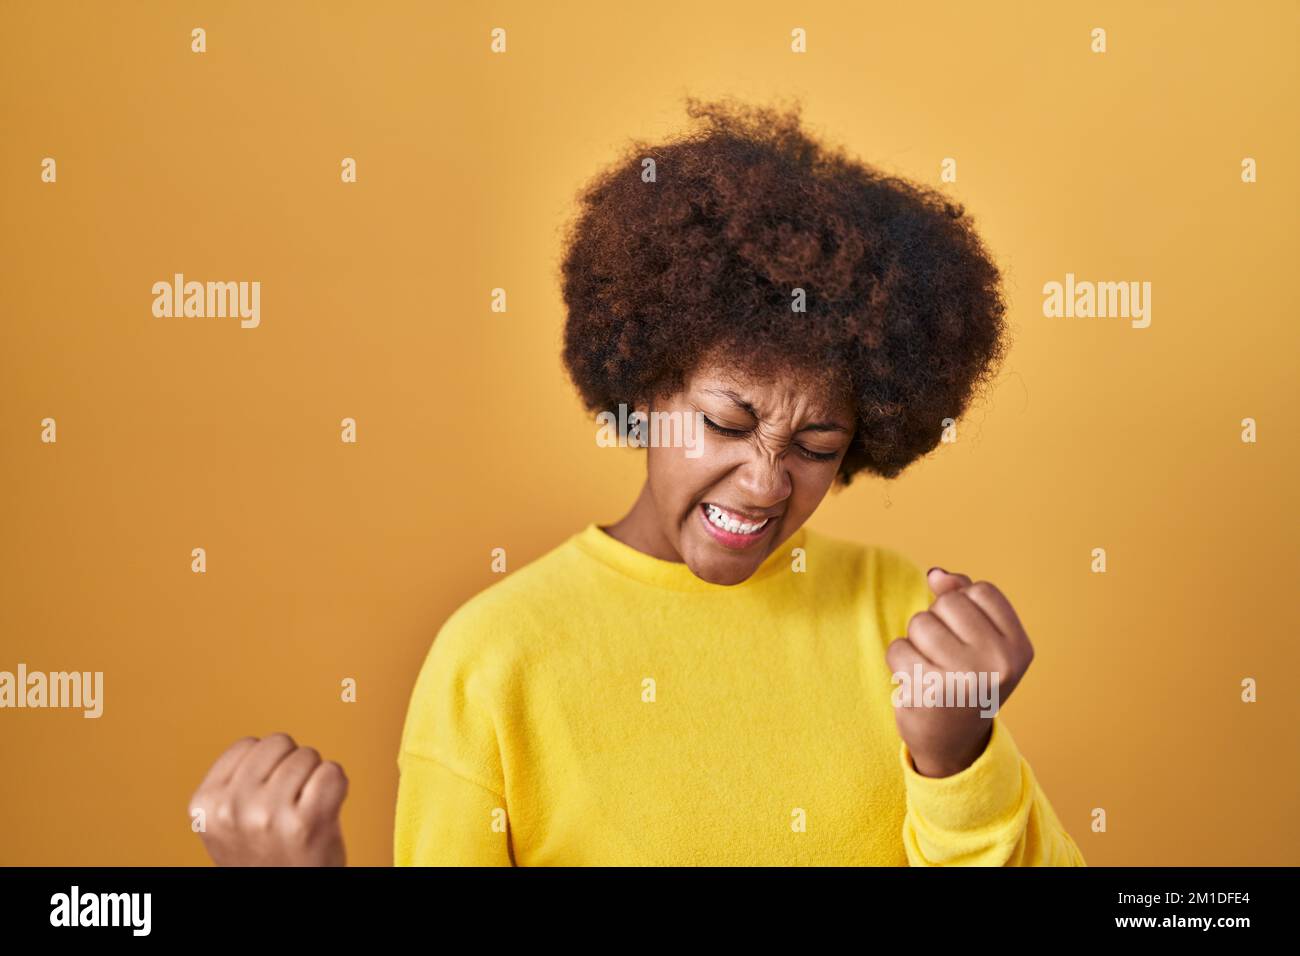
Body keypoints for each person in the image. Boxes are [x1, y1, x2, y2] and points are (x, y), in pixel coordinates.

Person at [189, 97, 1086, 867]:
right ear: (642, 382)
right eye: (728, 424)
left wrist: (957, 761)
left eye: (816, 444)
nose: (767, 481)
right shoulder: (496, 660)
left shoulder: (902, 620)